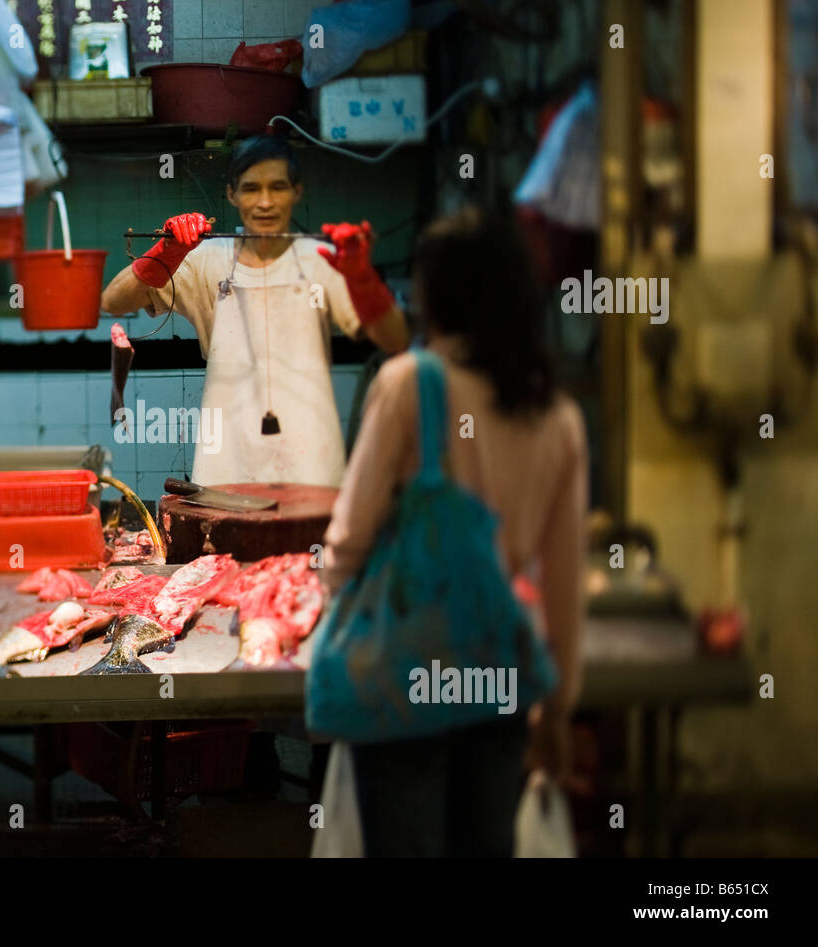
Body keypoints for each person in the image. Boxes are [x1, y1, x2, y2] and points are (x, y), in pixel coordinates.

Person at [320, 206, 587, 857]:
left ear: (434, 294)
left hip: (406, 675)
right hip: (497, 675)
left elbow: (349, 544)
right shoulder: (554, 410)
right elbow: (563, 585)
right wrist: (558, 710)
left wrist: (334, 613)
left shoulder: (411, 383)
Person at [100, 135, 410, 486]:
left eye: (277, 187)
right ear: (232, 195)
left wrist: (363, 280)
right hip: (228, 460)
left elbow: (396, 338)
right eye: (251, 189)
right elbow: (113, 301)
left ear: (297, 191)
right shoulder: (205, 259)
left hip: (311, 459)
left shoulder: (322, 261)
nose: (265, 202)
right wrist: (165, 253)